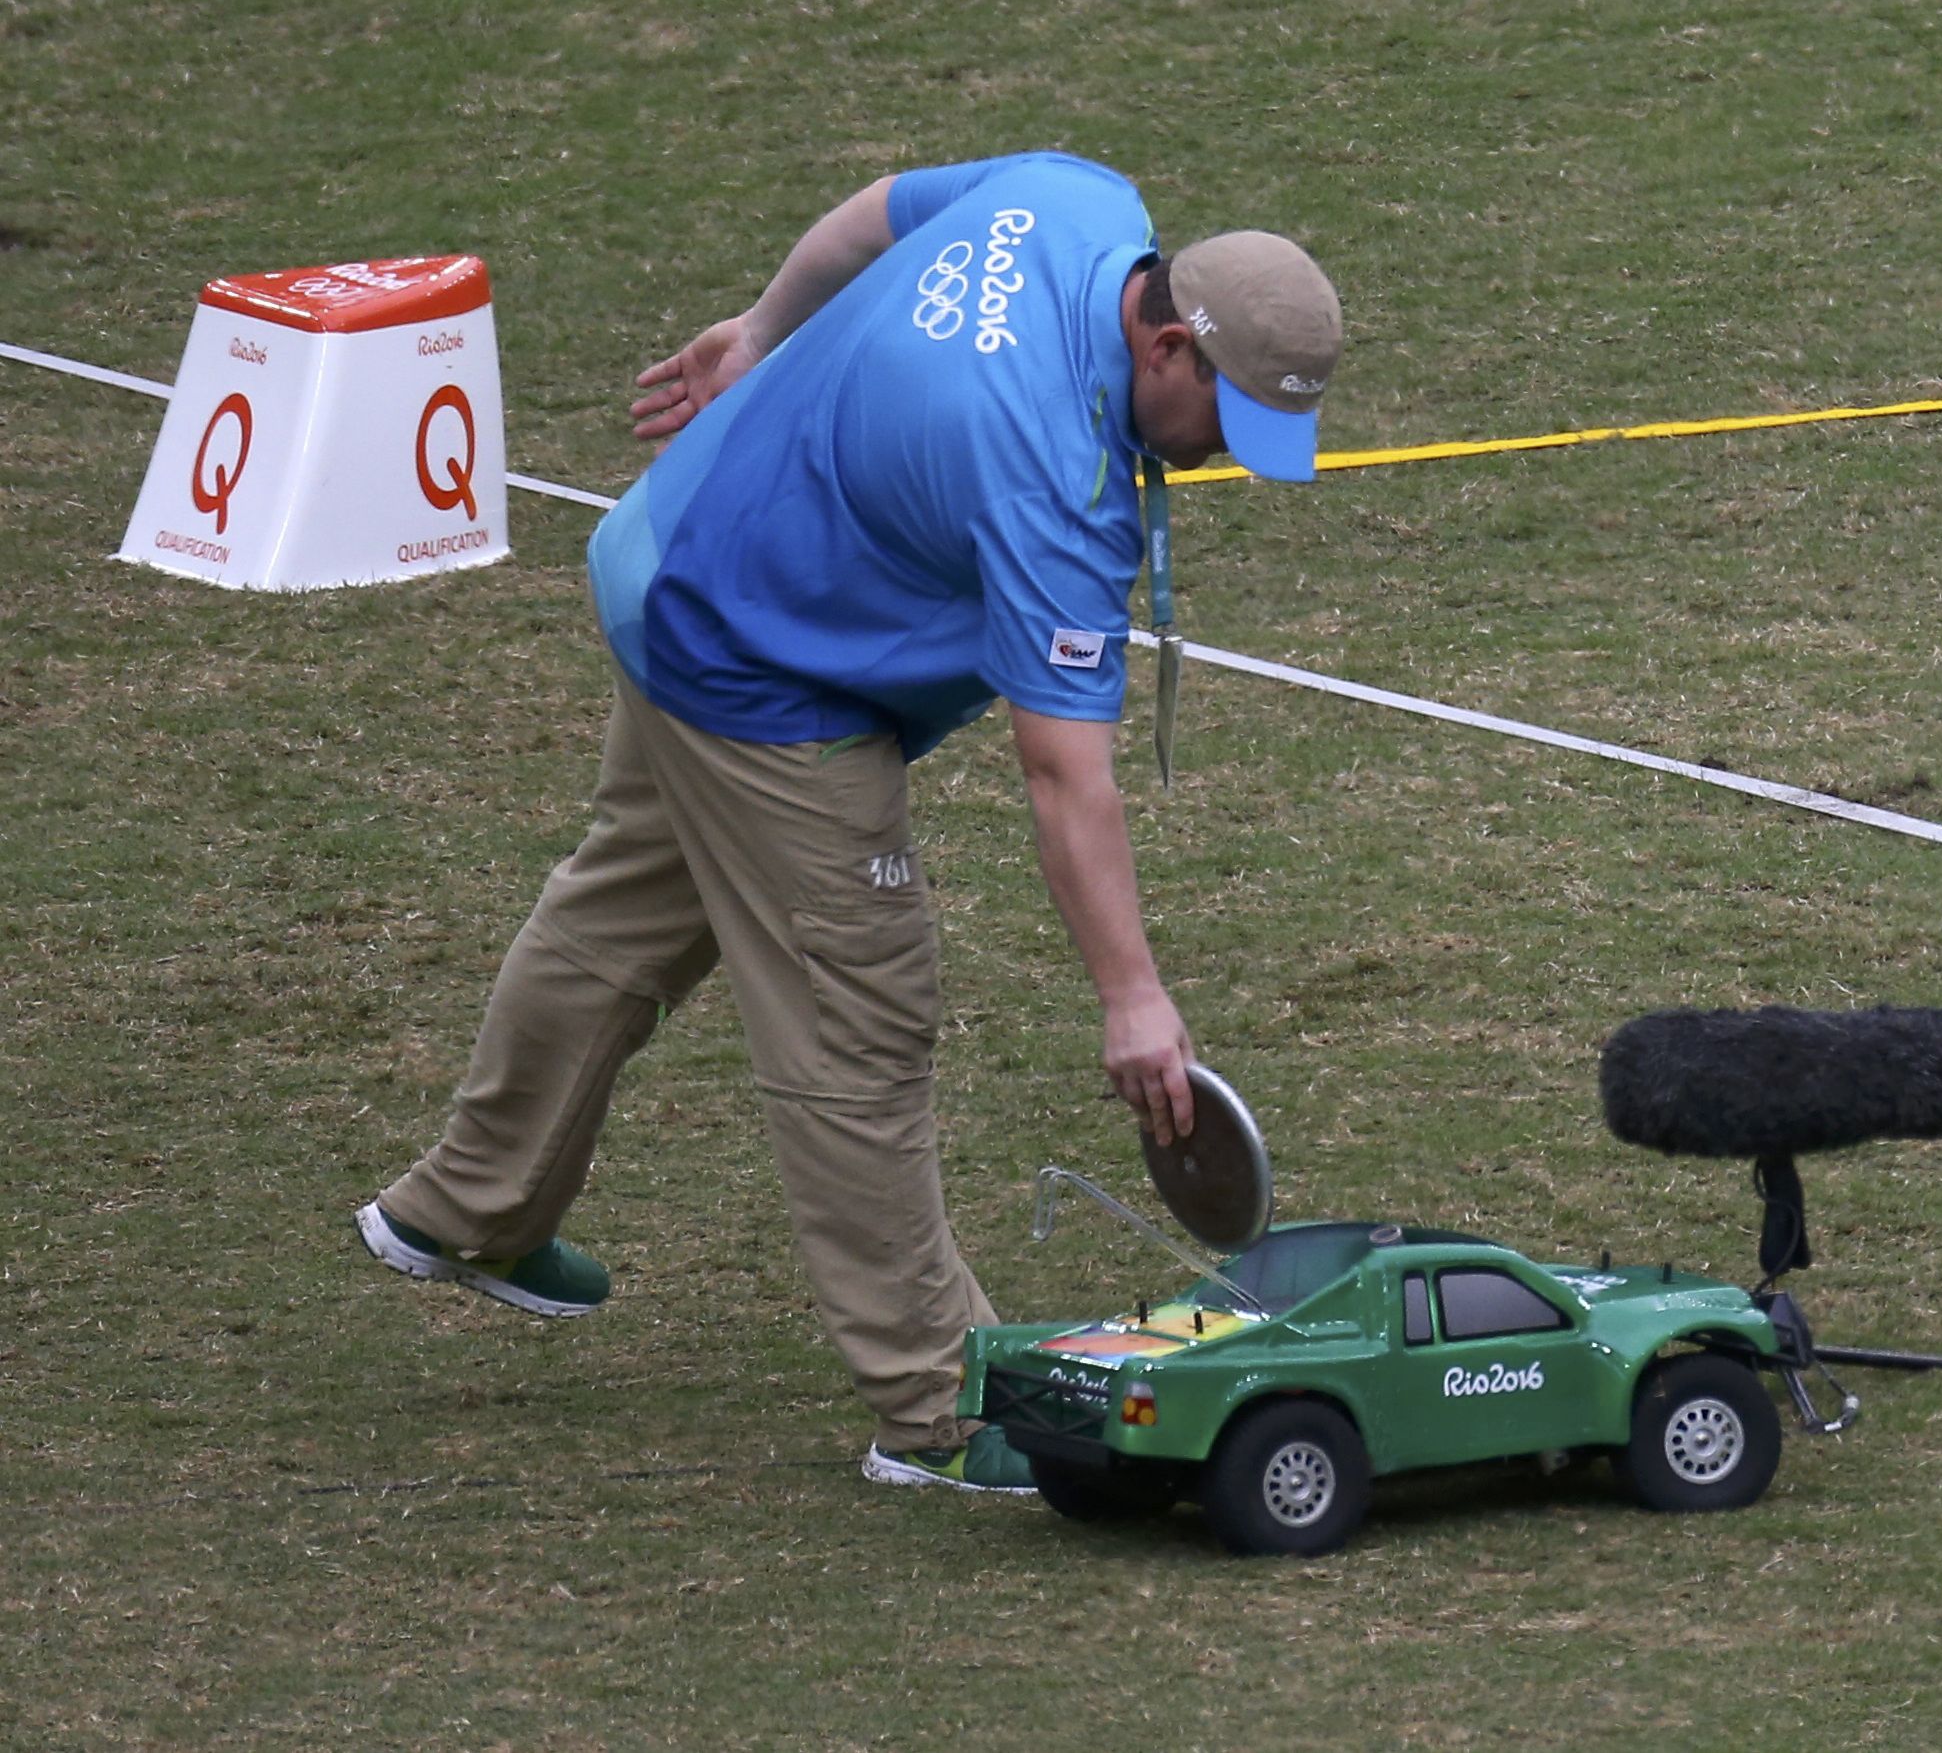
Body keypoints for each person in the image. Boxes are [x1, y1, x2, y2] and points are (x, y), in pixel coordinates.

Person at [352, 151, 1343, 1494]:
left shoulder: (1074, 202)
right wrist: (1135, 1000)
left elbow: (874, 210)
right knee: (861, 1004)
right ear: (1166, 344)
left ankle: (463, 1209)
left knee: (627, 909)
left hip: (678, 542)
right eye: (1228, 419)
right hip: (755, 660)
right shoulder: (1053, 481)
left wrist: (762, 329)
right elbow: (1064, 776)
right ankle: (938, 1405)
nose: (1227, 456)